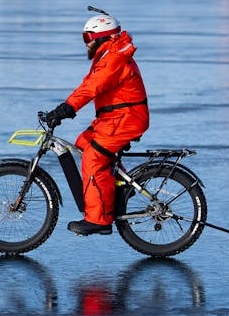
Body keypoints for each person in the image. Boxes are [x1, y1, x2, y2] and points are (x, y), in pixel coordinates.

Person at [42, 13, 149, 236]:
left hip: (126, 119)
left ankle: (98, 219)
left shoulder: (113, 58)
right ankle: (115, 191)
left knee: (93, 158)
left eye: (88, 36)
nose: (87, 42)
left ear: (102, 36)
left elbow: (92, 87)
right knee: (82, 143)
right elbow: (88, 84)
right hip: (114, 118)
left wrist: (66, 109)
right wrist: (66, 107)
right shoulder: (109, 55)